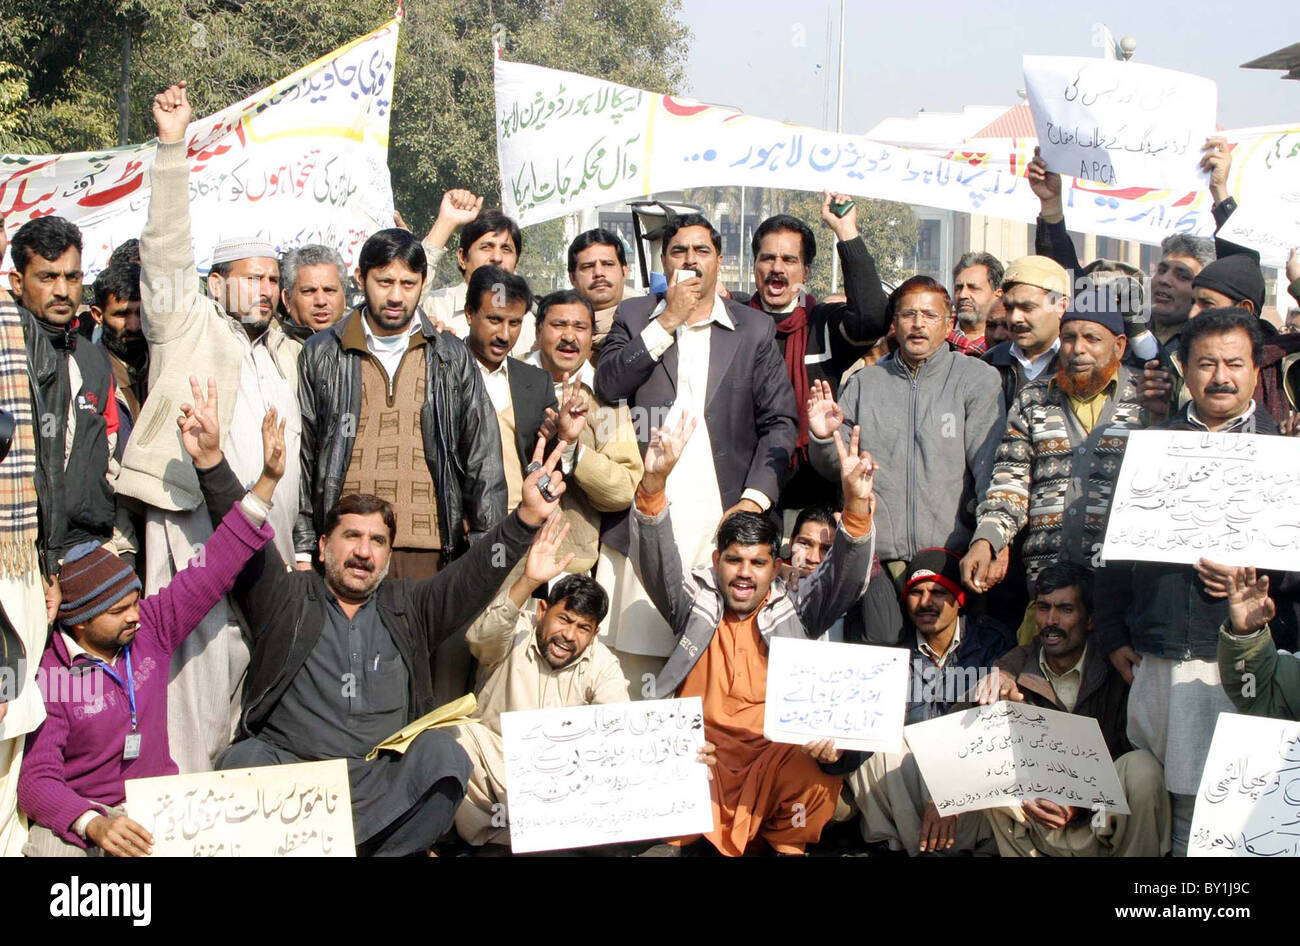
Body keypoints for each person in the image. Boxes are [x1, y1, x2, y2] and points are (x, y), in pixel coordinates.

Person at [214, 427, 569, 856]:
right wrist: (211, 463)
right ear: (324, 546)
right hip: (291, 776)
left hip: (376, 781)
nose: (364, 551)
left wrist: (525, 519)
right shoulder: (288, 596)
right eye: (352, 537)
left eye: (377, 541)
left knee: (446, 755)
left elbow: (469, 578)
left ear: (388, 554)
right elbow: (245, 543)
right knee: (243, 763)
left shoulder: (408, 606)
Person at [114, 82, 303, 773]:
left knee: (241, 693)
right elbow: (164, 249)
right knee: (190, 689)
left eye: (270, 279)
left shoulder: (279, 356)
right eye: (249, 278)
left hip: (263, 554)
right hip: (193, 530)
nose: (262, 290)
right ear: (215, 282)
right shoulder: (185, 322)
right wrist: (172, 148)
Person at [18, 393, 285, 857]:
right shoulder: (53, 676)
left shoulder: (151, 632)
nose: (135, 614)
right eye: (118, 610)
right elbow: (37, 781)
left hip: (161, 809)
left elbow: (214, 567)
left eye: (136, 600)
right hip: (91, 817)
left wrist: (266, 482)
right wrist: (92, 824)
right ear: (79, 623)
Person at [632, 415, 877, 856]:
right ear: (716, 560)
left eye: (758, 563)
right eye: (734, 560)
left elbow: (842, 579)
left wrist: (857, 508)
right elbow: (655, 564)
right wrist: (653, 486)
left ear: (775, 567)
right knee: (672, 763)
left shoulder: (794, 609)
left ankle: (788, 846)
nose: (745, 574)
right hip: (705, 756)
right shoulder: (695, 602)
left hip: (773, 760)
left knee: (814, 773)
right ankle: (676, 841)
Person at [1095, 308, 1284, 855]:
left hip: (1246, 657)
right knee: (1172, 801)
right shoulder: (1151, 447)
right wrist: (1113, 636)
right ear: (1184, 368)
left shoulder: (1284, 454)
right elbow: (1111, 554)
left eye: (1233, 363)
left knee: (1237, 805)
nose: (1220, 377)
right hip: (1160, 653)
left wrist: (1258, 576)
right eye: (1206, 364)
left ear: (1255, 371)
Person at [594, 212, 797, 691]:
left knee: (713, 666)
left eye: (701, 251)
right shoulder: (633, 316)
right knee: (637, 673)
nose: (690, 260)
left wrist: (754, 501)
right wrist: (667, 320)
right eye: (678, 251)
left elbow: (780, 423)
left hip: (721, 522)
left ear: (719, 261)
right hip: (647, 516)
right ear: (664, 261)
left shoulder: (753, 329)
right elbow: (610, 382)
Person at [296, 227, 504, 578]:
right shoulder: (322, 353)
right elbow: (304, 454)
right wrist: (303, 546)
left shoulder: (450, 356)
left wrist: (485, 553)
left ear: (423, 283)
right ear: (361, 278)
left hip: (431, 552)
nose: (396, 296)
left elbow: (483, 459)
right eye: (384, 281)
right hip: (344, 548)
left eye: (408, 284)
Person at [809, 275, 1003, 646]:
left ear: (949, 324)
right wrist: (822, 436)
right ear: (894, 324)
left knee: (949, 673)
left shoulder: (976, 379)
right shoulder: (865, 383)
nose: (918, 324)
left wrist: (989, 539)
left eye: (930, 315)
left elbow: (990, 467)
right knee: (879, 664)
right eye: (908, 314)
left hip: (950, 560)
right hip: (877, 561)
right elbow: (837, 468)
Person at [961, 288, 1146, 643]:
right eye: (1070, 338)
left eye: (1092, 339)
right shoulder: (1034, 400)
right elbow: (1009, 484)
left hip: (1122, 587)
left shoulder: (1144, 403)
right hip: (1048, 588)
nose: (1078, 350)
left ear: (1119, 346)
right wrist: (987, 541)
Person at [454, 519, 629, 849]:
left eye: (582, 628)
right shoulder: (514, 632)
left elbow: (618, 727)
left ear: (594, 634)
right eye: (564, 619)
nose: (569, 635)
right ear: (542, 611)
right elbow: (480, 638)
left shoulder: (601, 662)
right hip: (495, 770)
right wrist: (529, 580)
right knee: (453, 739)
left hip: (559, 782)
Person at [976, 563, 1171, 858]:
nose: (1051, 621)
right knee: (988, 774)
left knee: (1144, 769)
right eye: (1043, 608)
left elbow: (1126, 746)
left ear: (1090, 619)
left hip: (1099, 817)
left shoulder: (1113, 667)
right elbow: (964, 731)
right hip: (1037, 821)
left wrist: (1079, 797)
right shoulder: (1014, 666)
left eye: (1066, 609)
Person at [844, 547, 1011, 856]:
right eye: (916, 592)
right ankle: (901, 846)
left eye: (938, 592)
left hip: (970, 769)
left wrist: (951, 792)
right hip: (912, 778)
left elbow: (999, 734)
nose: (926, 602)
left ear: (959, 600)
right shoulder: (896, 646)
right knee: (877, 748)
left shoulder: (994, 643)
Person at [745, 194, 890, 508]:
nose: (776, 268)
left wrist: (846, 231)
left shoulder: (820, 324)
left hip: (810, 495)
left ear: (806, 271)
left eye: (789, 260)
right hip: (744, 483)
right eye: (767, 258)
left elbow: (872, 319)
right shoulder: (734, 320)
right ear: (755, 264)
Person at [8, 217, 120, 559]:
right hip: (18, 546)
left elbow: (108, 453)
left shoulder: (94, 360)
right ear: (18, 281)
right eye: (48, 277)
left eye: (71, 277)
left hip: (84, 545)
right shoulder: (7, 352)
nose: (62, 290)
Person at [0, 291, 64, 856]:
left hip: (16, 549)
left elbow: (45, 456)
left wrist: (48, 561)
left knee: (13, 712)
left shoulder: (21, 328)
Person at [525, 289, 641, 576]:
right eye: (558, 325)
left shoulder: (606, 398)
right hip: (504, 554)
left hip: (568, 564)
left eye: (580, 327)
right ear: (538, 331)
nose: (569, 336)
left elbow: (625, 487)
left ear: (591, 337)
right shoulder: (511, 378)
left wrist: (572, 449)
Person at [463, 266, 556, 514]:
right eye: (495, 320)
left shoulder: (536, 382)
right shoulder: (442, 372)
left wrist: (566, 436)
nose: (504, 335)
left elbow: (549, 460)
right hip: (458, 530)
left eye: (514, 323)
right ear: (469, 313)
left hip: (520, 525)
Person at [418, 189, 534, 356]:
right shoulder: (434, 307)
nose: (497, 257)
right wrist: (447, 221)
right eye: (486, 247)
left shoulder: (530, 323)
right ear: (462, 258)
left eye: (506, 249)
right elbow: (409, 286)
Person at [981, 255, 1070, 412]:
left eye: (1027, 308)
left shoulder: (1078, 364)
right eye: (1009, 308)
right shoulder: (991, 362)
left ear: (1060, 306)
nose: (1015, 318)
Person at [90, 259, 147, 457]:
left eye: (140, 313)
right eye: (122, 315)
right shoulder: (87, 373)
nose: (134, 326)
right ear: (98, 315)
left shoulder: (165, 367)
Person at [566, 228, 629, 347]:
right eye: (588, 266)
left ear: (624, 271)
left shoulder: (647, 323)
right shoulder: (552, 330)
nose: (599, 272)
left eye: (608, 264)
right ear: (572, 277)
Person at [278, 244, 348, 339]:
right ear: (287, 299)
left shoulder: (364, 340)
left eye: (329, 290)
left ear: (344, 297)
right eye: (308, 291)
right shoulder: (273, 348)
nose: (321, 301)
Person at [949, 251, 1004, 355]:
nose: (962, 295)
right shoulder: (937, 338)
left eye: (973, 288)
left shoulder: (1007, 343)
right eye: (958, 288)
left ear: (998, 295)